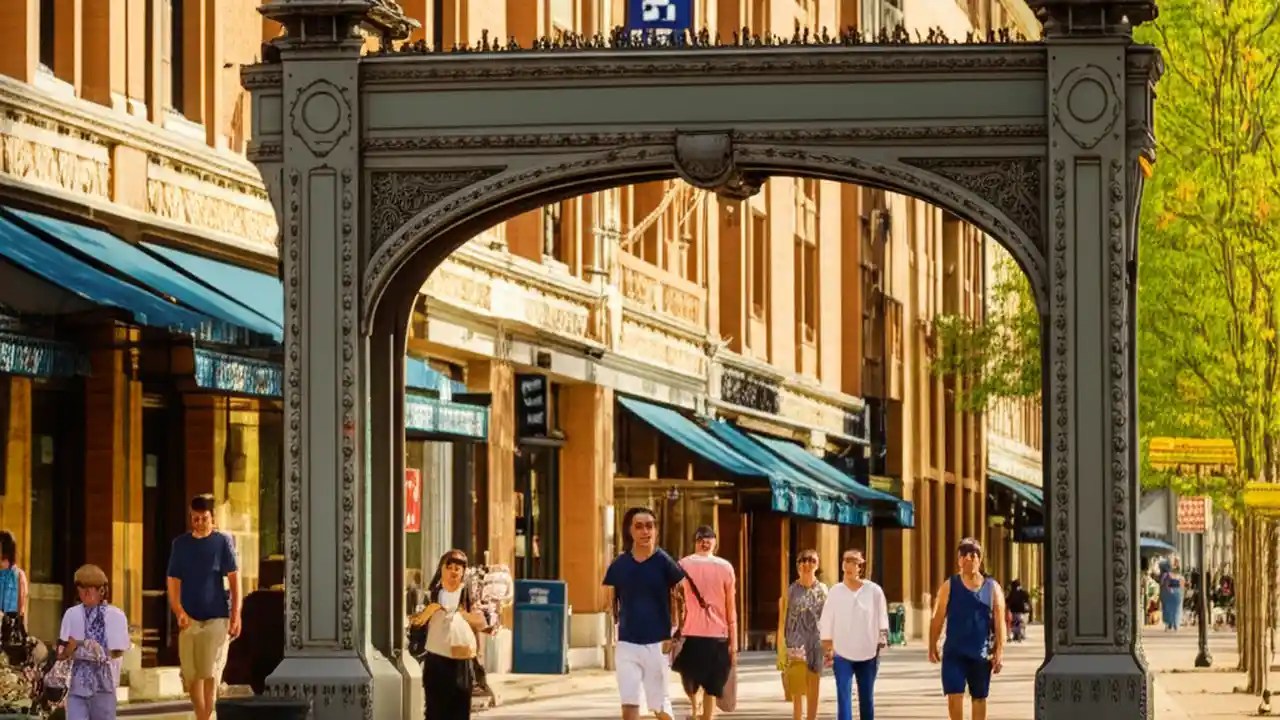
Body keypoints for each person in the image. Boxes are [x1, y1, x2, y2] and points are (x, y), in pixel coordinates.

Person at [603, 507, 691, 720]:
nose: (645, 531)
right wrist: (611, 638)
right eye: (639, 526)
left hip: (657, 643)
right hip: (627, 644)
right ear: (630, 531)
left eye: (649, 526)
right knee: (629, 704)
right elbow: (608, 603)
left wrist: (676, 634)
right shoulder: (619, 565)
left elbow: (683, 599)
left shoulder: (664, 562)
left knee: (659, 706)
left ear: (656, 531)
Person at [166, 493, 241, 720]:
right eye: (195, 519)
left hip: (216, 617)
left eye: (204, 518)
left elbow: (235, 581)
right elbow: (173, 581)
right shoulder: (180, 545)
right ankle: (202, 716)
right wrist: (178, 610)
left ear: (213, 518)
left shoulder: (222, 543)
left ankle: (206, 717)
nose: (199, 523)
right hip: (189, 617)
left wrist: (235, 614)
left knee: (210, 673)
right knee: (191, 675)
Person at [929, 538, 1006, 720]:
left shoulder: (992, 587)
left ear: (980, 559)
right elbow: (938, 616)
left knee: (979, 698)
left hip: (980, 654)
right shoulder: (950, 585)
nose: (968, 559)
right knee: (954, 694)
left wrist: (999, 651)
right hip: (954, 653)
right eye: (963, 555)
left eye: (972, 555)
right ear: (958, 560)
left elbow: (999, 621)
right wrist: (932, 644)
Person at [410, 549, 489, 720]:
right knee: (435, 709)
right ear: (442, 570)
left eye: (458, 568)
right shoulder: (431, 596)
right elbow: (416, 622)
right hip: (436, 659)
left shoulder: (469, 595)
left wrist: (463, 614)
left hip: (462, 660)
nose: (453, 571)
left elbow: (483, 622)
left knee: (459, 710)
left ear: (463, 573)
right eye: (450, 567)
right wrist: (428, 613)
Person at [673, 525, 737, 720]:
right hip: (718, 634)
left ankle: (695, 709)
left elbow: (674, 597)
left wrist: (676, 624)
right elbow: (730, 607)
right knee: (712, 682)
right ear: (714, 543)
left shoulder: (682, 564)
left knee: (689, 677)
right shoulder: (726, 567)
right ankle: (706, 715)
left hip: (692, 631)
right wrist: (733, 642)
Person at [819, 549, 888, 720]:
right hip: (842, 654)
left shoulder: (874, 591)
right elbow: (827, 620)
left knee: (866, 699)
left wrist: (881, 643)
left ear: (860, 567)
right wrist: (828, 648)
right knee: (843, 696)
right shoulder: (835, 591)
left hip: (868, 653)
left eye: (854, 562)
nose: (849, 565)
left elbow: (882, 619)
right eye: (847, 561)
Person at [58, 564, 131, 720]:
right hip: (77, 687)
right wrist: (68, 650)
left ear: (102, 590)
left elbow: (119, 651)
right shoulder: (71, 615)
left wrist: (86, 648)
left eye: (91, 588)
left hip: (104, 687)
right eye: (82, 588)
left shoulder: (116, 616)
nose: (86, 593)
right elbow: (62, 652)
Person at [777, 549, 828, 720]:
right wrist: (781, 650)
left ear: (817, 564)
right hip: (796, 644)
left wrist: (830, 645)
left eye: (812, 560)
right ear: (798, 565)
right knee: (798, 690)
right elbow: (782, 620)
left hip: (816, 643)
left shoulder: (823, 590)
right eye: (803, 560)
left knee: (814, 686)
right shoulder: (790, 591)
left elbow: (829, 619)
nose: (807, 564)